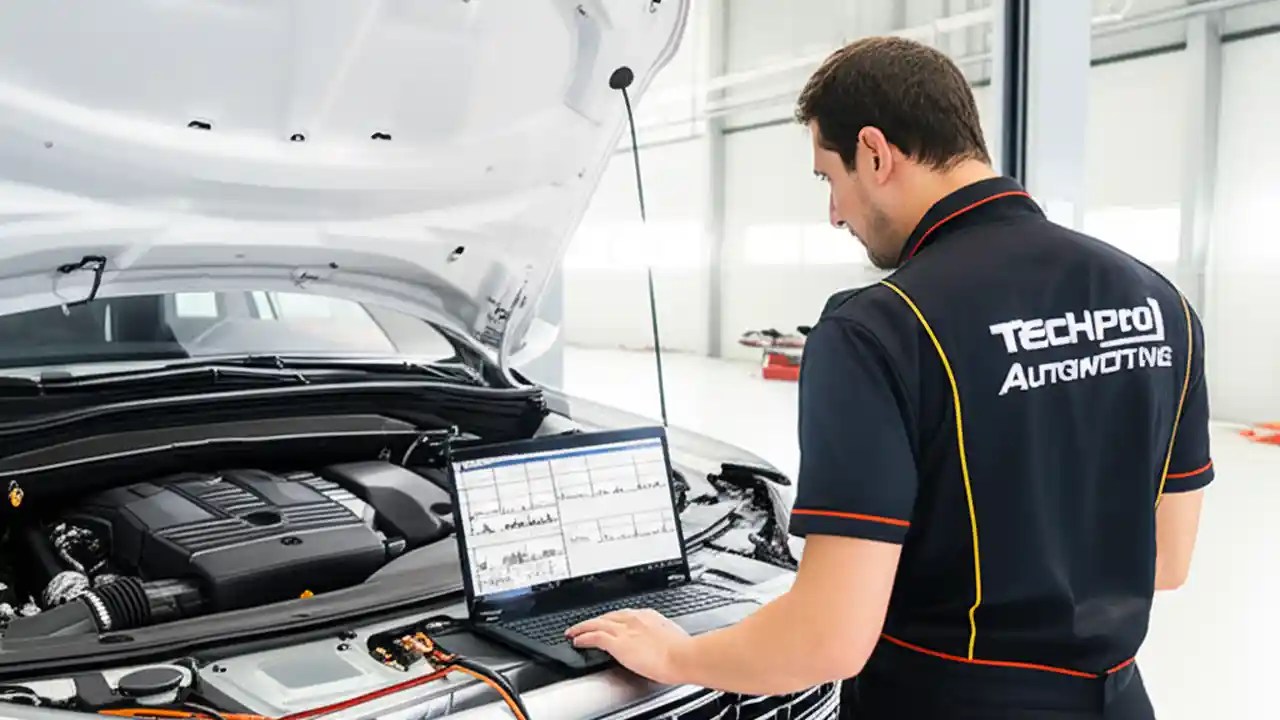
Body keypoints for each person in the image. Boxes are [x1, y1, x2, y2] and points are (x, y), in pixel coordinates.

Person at [566, 36, 1212, 719]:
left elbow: (828, 639)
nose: (835, 212)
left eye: (828, 178)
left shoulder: (881, 328)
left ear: (874, 152)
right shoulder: (1159, 301)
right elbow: (1166, 561)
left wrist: (676, 654)